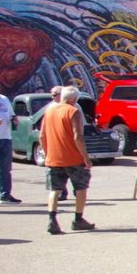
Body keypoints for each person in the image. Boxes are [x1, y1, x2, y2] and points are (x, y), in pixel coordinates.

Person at [40, 85, 95, 234]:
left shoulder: (49, 111)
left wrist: (47, 153)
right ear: (73, 99)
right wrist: (86, 158)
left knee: (54, 190)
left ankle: (52, 220)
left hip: (54, 158)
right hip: (73, 158)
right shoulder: (73, 111)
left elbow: (42, 136)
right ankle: (78, 219)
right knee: (81, 188)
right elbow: (78, 137)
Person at [0, 77, 22, 207]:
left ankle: (5, 195)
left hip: (5, 138)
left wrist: (15, 120)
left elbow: (11, 115)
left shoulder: (4, 99)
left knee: (5, 169)